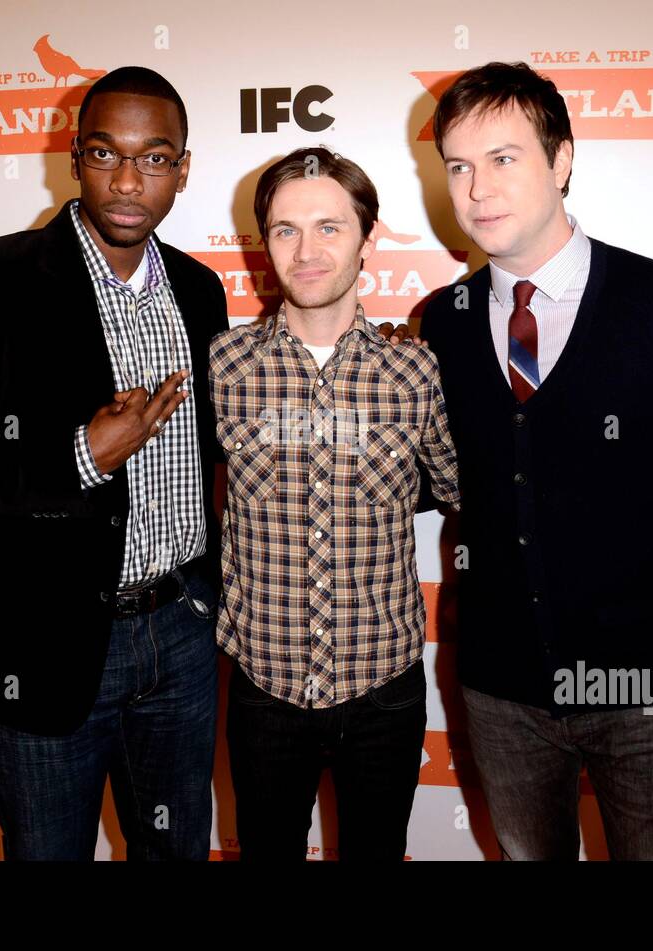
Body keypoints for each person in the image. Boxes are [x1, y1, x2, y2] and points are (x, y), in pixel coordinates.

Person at [418, 62, 653, 860]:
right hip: (501, 695)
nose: (477, 189)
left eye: (504, 158)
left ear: (563, 160)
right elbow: (431, 479)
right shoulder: (444, 322)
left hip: (650, 696)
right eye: (460, 166)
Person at [0, 66, 227, 861]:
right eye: (106, 152)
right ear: (74, 157)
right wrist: (80, 455)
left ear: (182, 170)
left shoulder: (200, 289)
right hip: (42, 645)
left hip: (181, 634)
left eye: (153, 158)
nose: (127, 180)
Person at [209, 147, 461, 861]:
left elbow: (470, 484)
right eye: (285, 230)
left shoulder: (414, 370)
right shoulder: (223, 367)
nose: (307, 250)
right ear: (264, 243)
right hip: (264, 687)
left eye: (329, 227)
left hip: (383, 687)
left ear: (367, 238)